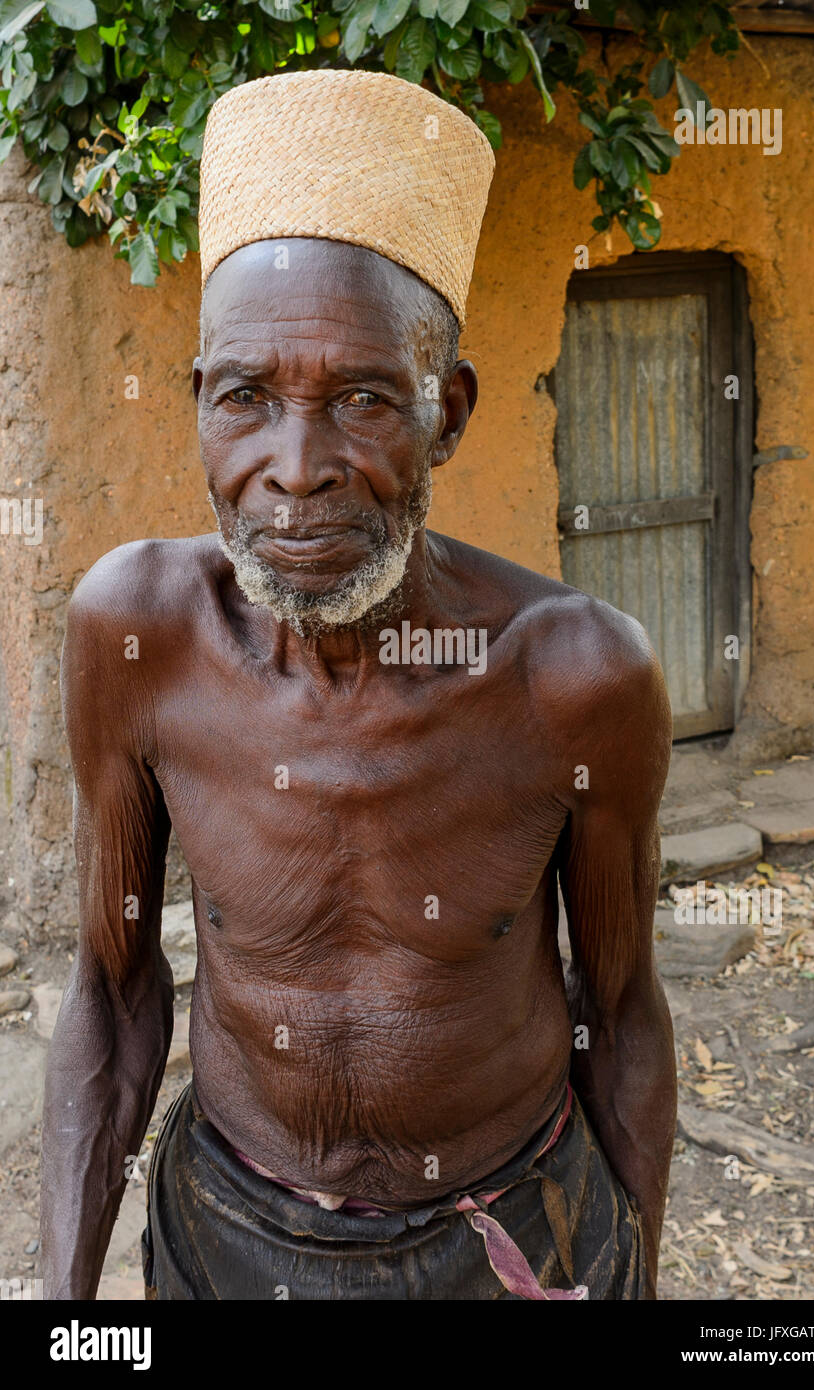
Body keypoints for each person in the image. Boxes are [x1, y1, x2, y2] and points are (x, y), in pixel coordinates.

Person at [40, 68, 676, 1301]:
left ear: (448, 414)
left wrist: (640, 1279)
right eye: (246, 400)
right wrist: (60, 1308)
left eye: (364, 400)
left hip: (516, 1234)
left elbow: (622, 1012)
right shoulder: (134, 636)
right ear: (198, 410)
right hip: (226, 1227)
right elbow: (113, 1001)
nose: (295, 470)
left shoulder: (580, 677)